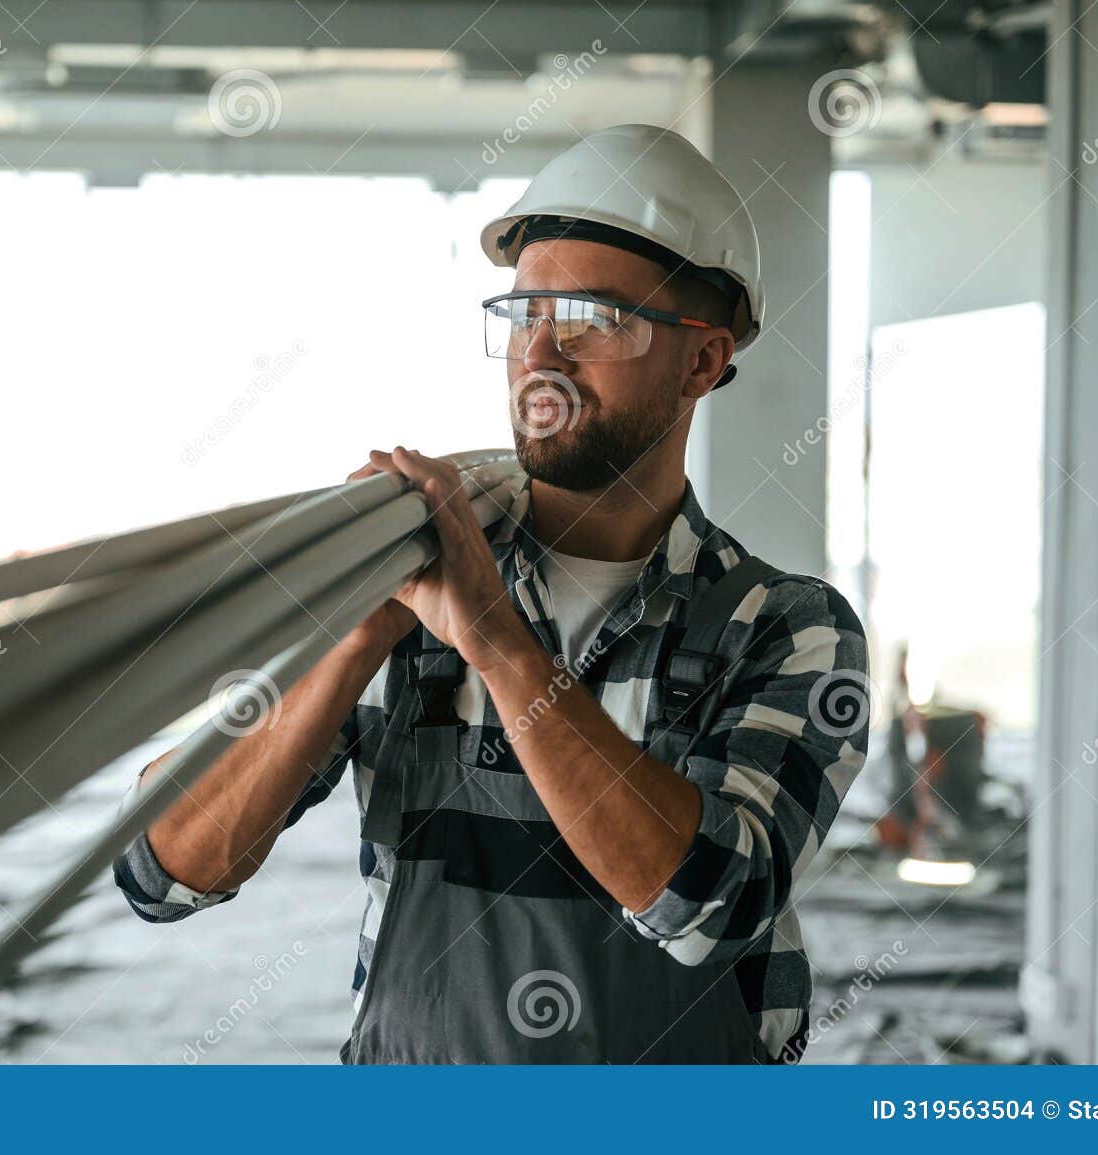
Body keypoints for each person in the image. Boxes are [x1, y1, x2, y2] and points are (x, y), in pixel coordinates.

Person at [115, 123, 870, 1064]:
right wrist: (351, 640)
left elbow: (706, 905)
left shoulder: (786, 629)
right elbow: (161, 871)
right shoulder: (402, 570)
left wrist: (499, 644)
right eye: (523, 314)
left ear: (703, 361)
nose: (541, 352)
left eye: (594, 316)